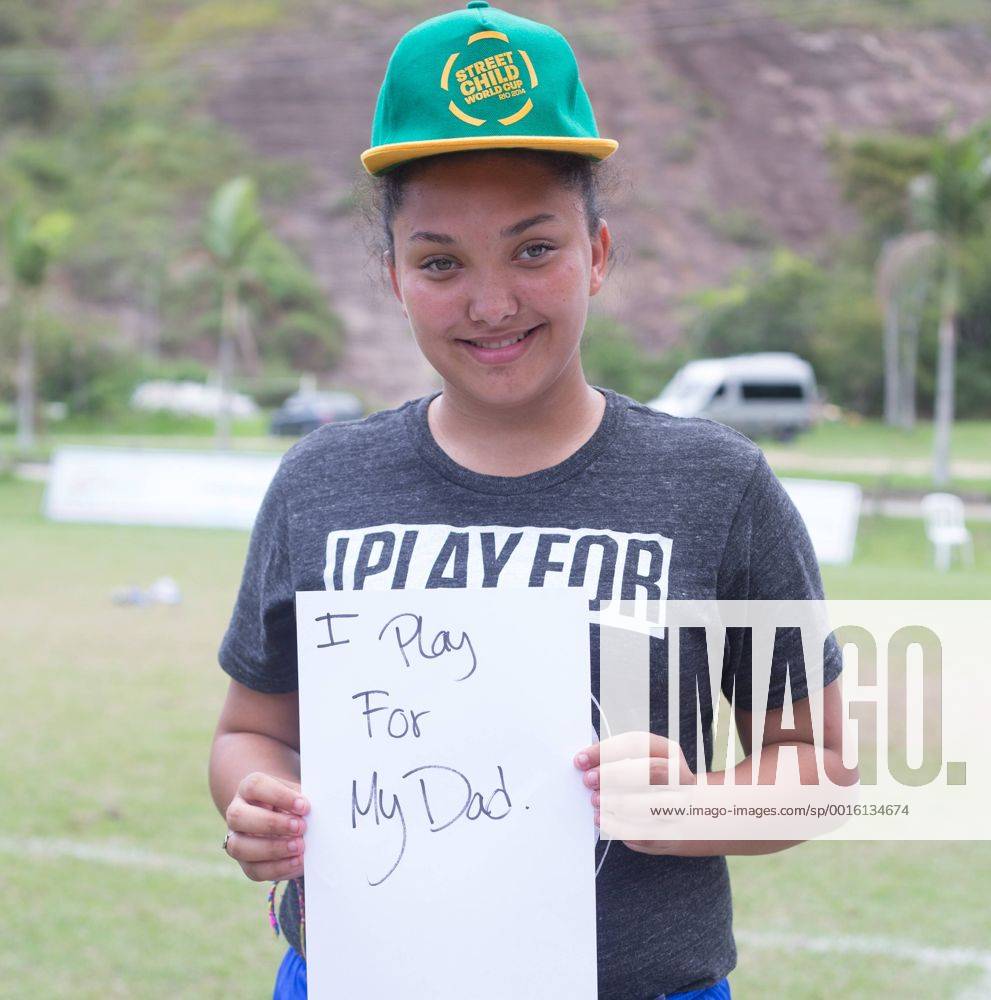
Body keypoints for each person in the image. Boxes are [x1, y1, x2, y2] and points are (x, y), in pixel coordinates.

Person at [208, 3, 853, 998]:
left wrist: (687, 806)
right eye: (439, 262)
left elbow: (815, 760)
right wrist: (262, 799)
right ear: (389, 274)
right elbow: (250, 728)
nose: (492, 299)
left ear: (597, 252)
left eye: (534, 249)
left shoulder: (712, 485)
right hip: (357, 974)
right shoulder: (322, 482)